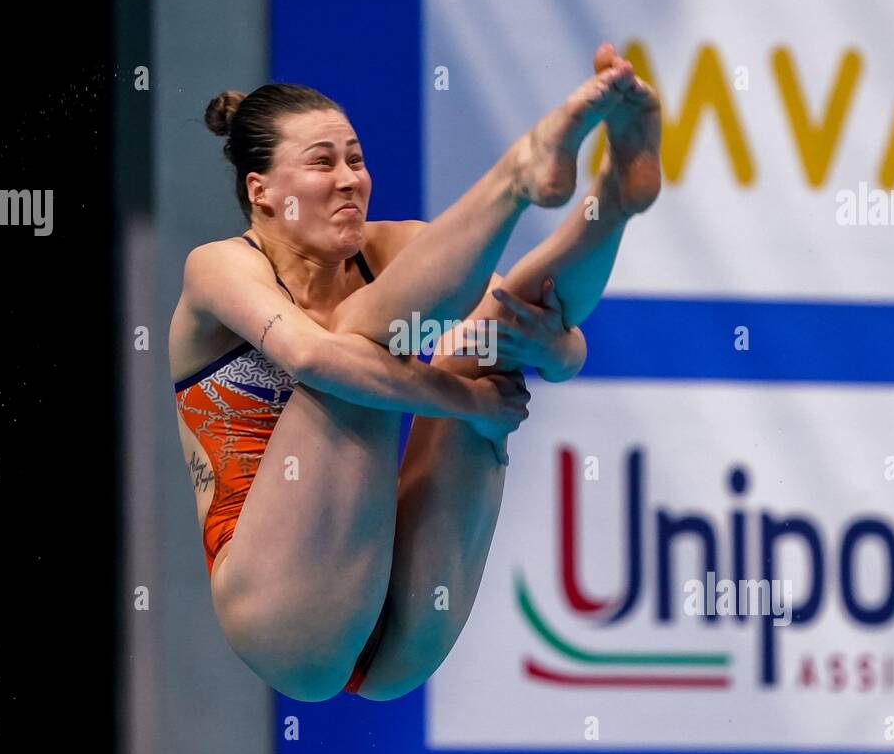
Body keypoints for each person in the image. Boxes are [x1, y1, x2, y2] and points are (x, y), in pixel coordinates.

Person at [168, 43, 660, 701]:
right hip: (281, 613)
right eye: (322, 162)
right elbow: (312, 357)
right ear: (261, 192)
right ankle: (517, 174)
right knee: (357, 341)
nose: (349, 178)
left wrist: (544, 345)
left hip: (402, 627)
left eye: (356, 159)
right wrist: (468, 403)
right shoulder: (220, 267)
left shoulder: (392, 249)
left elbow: (567, 354)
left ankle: (615, 199)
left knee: (491, 329)